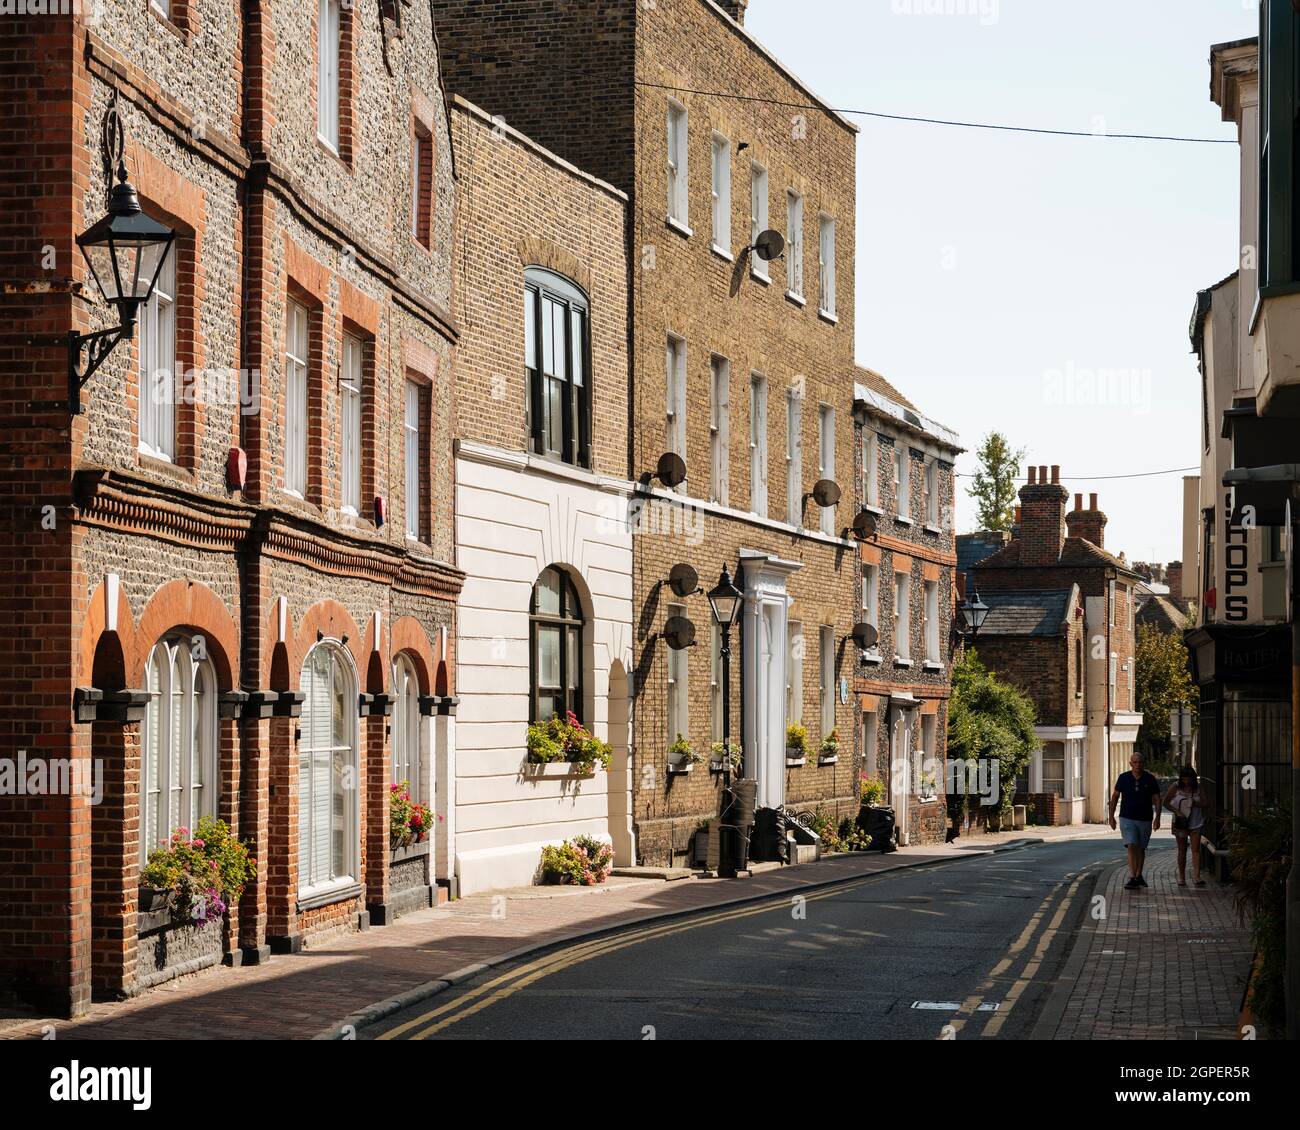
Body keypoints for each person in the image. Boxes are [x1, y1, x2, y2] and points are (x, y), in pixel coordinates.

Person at [1108, 751, 1162, 890]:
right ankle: (1132, 876)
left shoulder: (1150, 779)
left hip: (1145, 818)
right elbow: (1114, 797)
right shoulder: (1123, 778)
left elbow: (1157, 799)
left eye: (1140, 762)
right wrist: (1111, 816)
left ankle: (1139, 875)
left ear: (1143, 764)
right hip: (1127, 817)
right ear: (1130, 763)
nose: (1137, 765)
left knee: (1141, 848)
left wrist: (1157, 818)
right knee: (1132, 845)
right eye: (1135, 762)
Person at [1163, 765, 1207, 888]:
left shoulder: (1198, 787)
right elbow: (1165, 802)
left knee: (1196, 850)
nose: (1186, 782)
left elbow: (1206, 803)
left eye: (1189, 779)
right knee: (1182, 850)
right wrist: (1177, 811)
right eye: (1184, 779)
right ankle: (1182, 877)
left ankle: (1197, 877)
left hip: (1195, 822)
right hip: (1180, 822)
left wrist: (1196, 803)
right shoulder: (1175, 787)